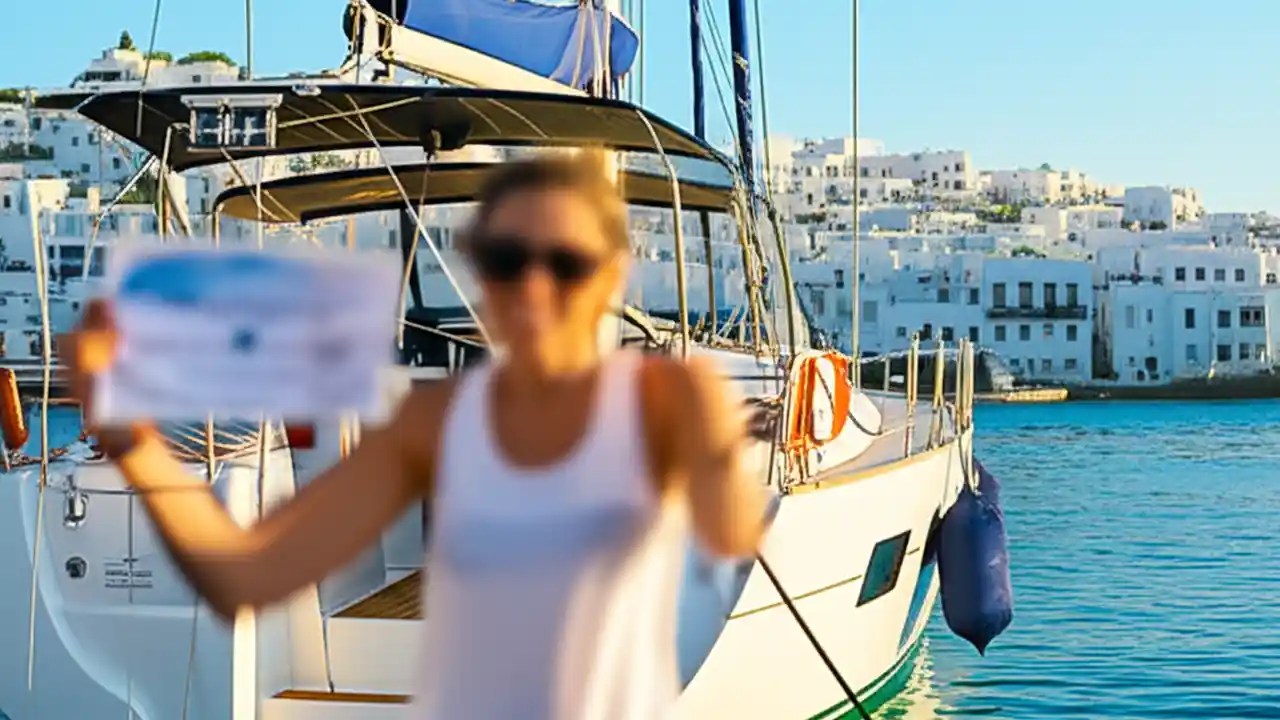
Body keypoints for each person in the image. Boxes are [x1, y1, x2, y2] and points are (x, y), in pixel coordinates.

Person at [60, 152, 768, 719]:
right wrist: (130, 440)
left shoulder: (667, 403)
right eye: (508, 261)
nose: (535, 289)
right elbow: (245, 574)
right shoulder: (435, 424)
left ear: (613, 274)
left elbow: (731, 535)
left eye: (566, 263)